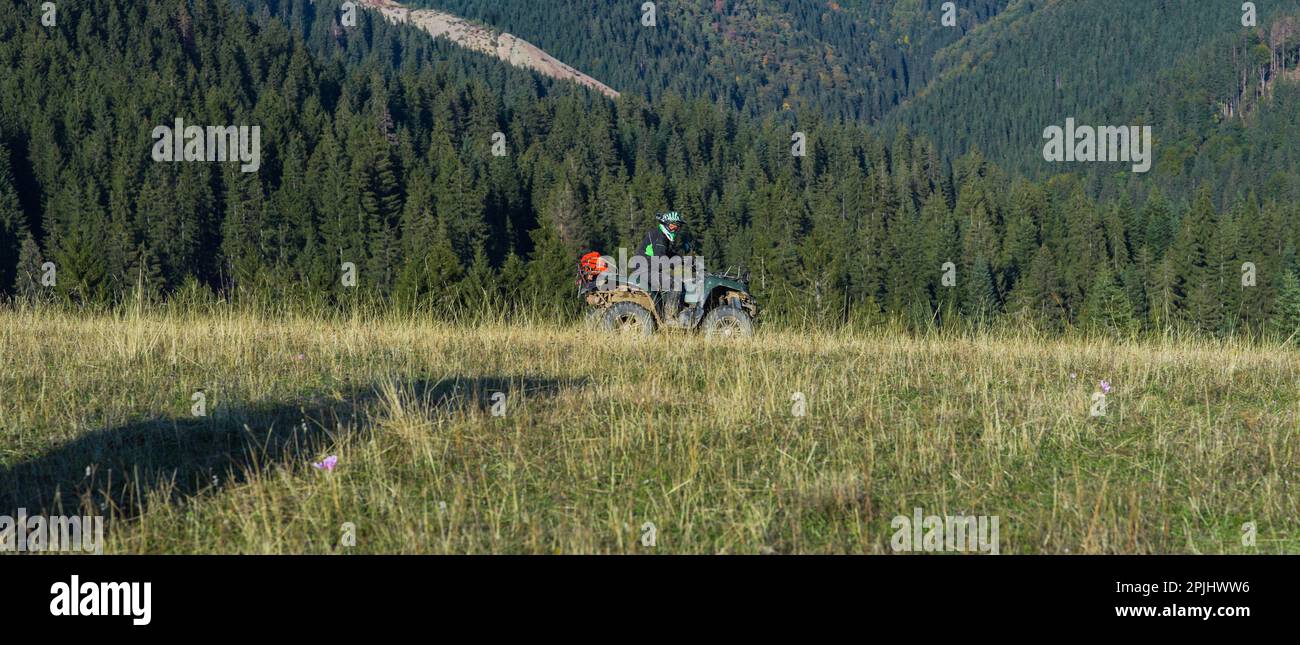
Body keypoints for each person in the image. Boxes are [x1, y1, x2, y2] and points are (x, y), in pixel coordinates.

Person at [637, 211, 689, 321]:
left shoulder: (661, 236)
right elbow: (661, 261)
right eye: (672, 226)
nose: (675, 229)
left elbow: (666, 255)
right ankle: (670, 316)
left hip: (647, 268)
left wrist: (683, 260)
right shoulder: (660, 237)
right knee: (675, 285)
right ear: (666, 224)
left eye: (677, 226)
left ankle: (674, 311)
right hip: (645, 270)